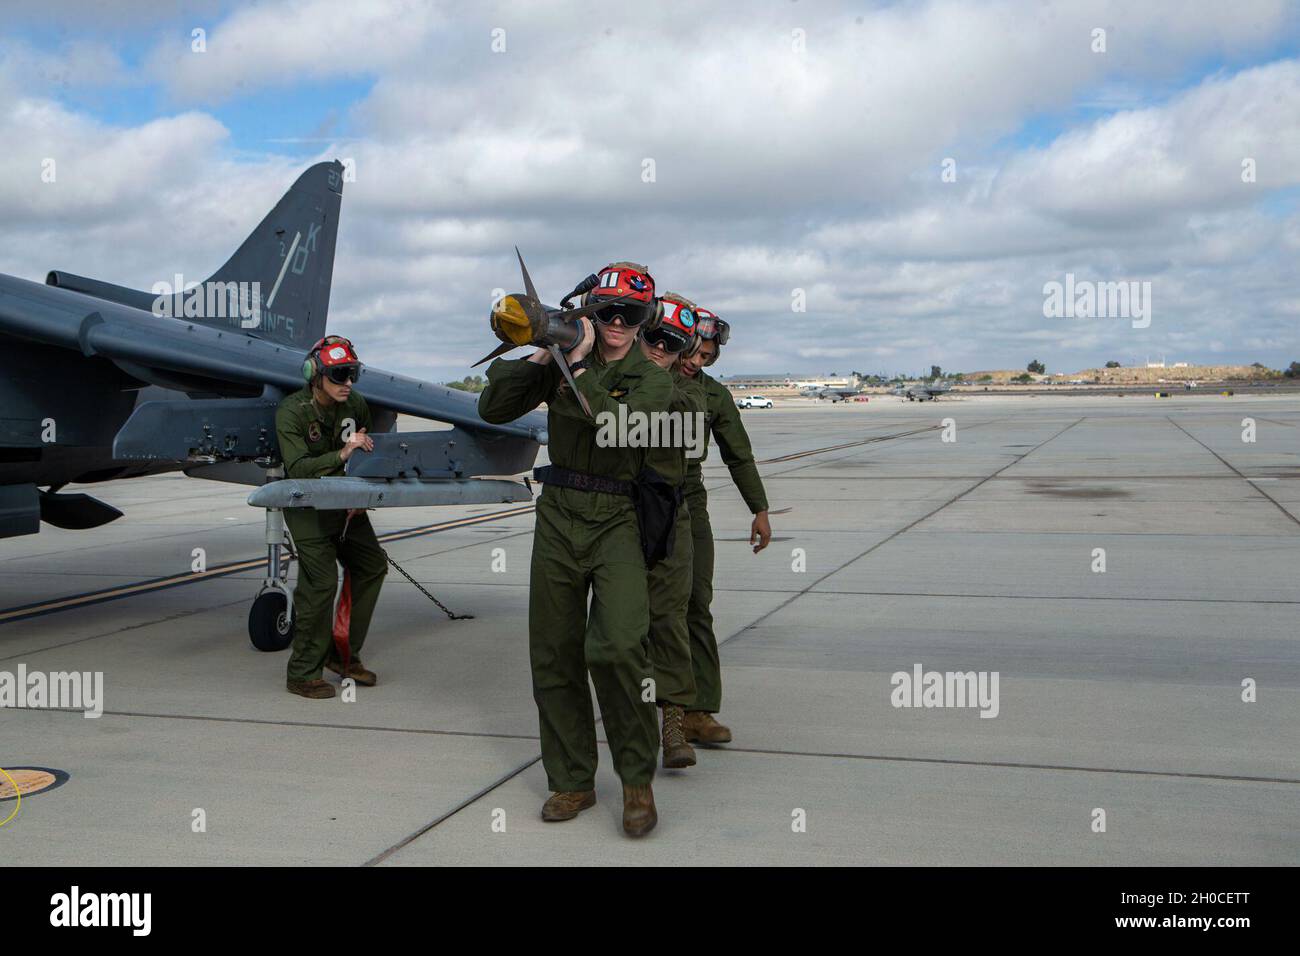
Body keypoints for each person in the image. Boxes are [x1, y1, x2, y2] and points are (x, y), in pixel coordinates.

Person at [478, 262, 672, 837]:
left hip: (618, 518)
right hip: (559, 513)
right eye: (605, 310)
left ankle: (636, 779)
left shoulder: (653, 377)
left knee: (616, 649)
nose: (615, 322)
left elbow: (622, 430)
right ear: (590, 310)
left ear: (644, 320)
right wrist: (545, 353)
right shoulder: (567, 360)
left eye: (629, 314)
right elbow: (493, 409)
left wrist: (580, 365)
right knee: (555, 653)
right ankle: (572, 780)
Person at [275, 335, 387, 700]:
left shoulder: (355, 403)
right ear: (316, 375)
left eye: (352, 374)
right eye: (339, 375)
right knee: (320, 584)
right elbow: (298, 468)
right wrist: (342, 454)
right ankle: (303, 672)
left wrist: (359, 492)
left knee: (371, 564)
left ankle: (342, 655)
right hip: (307, 507)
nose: (348, 383)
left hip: (346, 506)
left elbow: (368, 449)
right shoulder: (292, 411)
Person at [677, 310, 772, 742]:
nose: (697, 362)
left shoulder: (714, 396)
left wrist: (760, 508)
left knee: (697, 602)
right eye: (694, 352)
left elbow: (738, 454)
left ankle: (698, 712)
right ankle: (655, 709)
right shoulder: (642, 380)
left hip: (688, 498)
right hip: (634, 498)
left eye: (707, 357)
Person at [638, 293, 706, 769]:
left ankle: (674, 721)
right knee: (620, 630)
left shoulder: (685, 391)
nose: (660, 349)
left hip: (665, 512)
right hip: (616, 512)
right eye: (654, 338)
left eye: (672, 343)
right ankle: (635, 718)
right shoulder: (608, 374)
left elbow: (689, 429)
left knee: (669, 618)